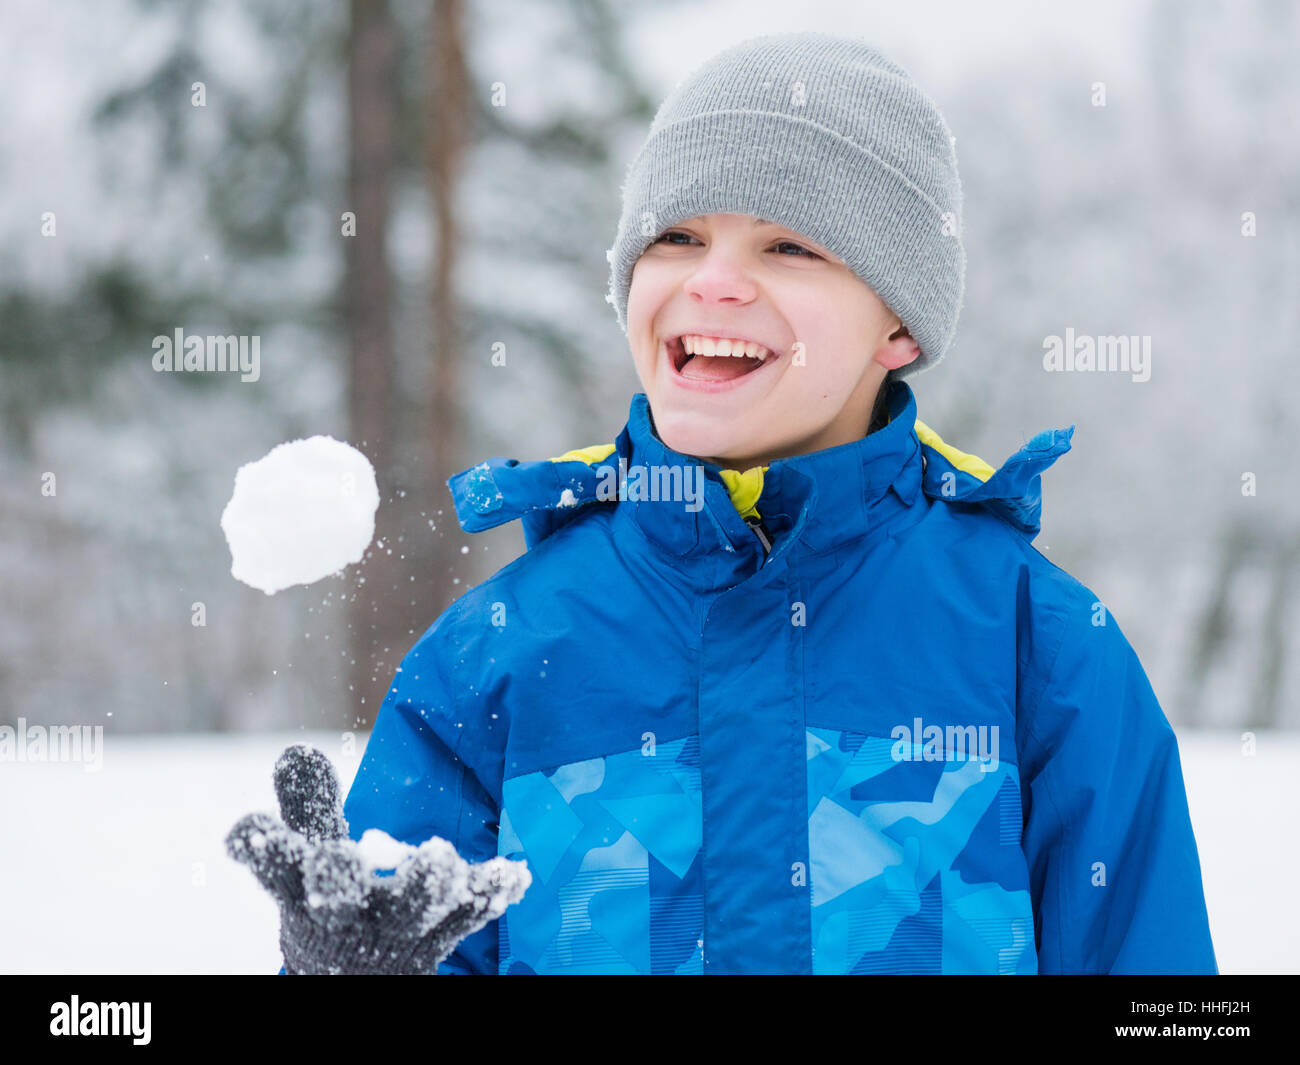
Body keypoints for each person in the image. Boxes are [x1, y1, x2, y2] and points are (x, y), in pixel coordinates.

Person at [231, 30, 1217, 975]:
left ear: (900, 327)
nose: (713, 281)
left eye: (789, 247)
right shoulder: (497, 651)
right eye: (676, 236)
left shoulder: (1037, 646)